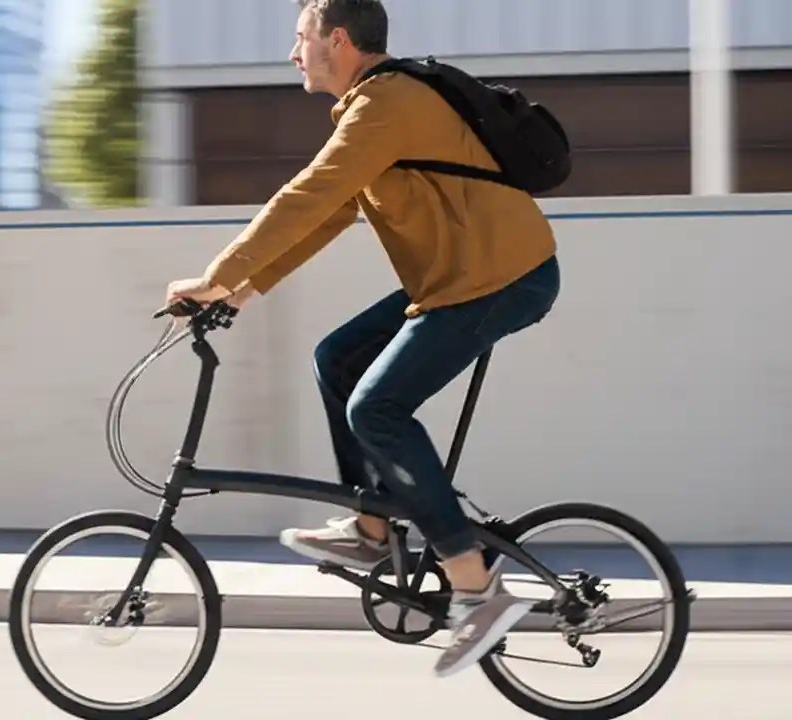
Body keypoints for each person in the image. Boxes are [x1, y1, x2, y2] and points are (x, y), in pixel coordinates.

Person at [164, 0, 561, 678]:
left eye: (301, 38)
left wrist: (216, 274)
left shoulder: (387, 103)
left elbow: (307, 195)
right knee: (338, 358)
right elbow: (328, 216)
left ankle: (476, 586)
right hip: (457, 277)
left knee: (376, 408)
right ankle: (374, 526)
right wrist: (240, 293)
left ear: (339, 40)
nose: (294, 54)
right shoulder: (373, 108)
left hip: (501, 277)